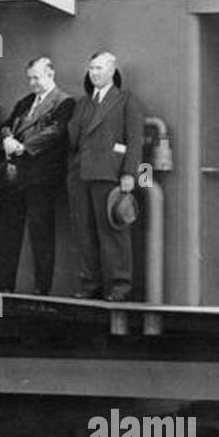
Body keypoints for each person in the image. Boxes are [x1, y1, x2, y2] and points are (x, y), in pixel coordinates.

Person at [0, 56, 73, 295]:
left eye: (37, 77)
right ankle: (4, 283)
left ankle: (41, 287)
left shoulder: (64, 102)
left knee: (41, 233)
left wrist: (22, 147)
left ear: (51, 74)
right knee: (8, 231)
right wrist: (6, 137)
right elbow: (7, 123)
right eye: (30, 78)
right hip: (16, 176)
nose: (33, 82)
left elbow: (56, 132)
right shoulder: (26, 101)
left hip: (41, 177)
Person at [66, 50, 145, 301]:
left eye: (99, 68)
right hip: (81, 175)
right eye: (91, 68)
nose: (94, 73)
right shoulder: (83, 103)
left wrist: (129, 174)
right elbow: (73, 140)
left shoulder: (126, 101)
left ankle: (120, 287)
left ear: (112, 71)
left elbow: (134, 141)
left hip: (109, 175)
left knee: (113, 232)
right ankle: (90, 285)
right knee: (84, 232)